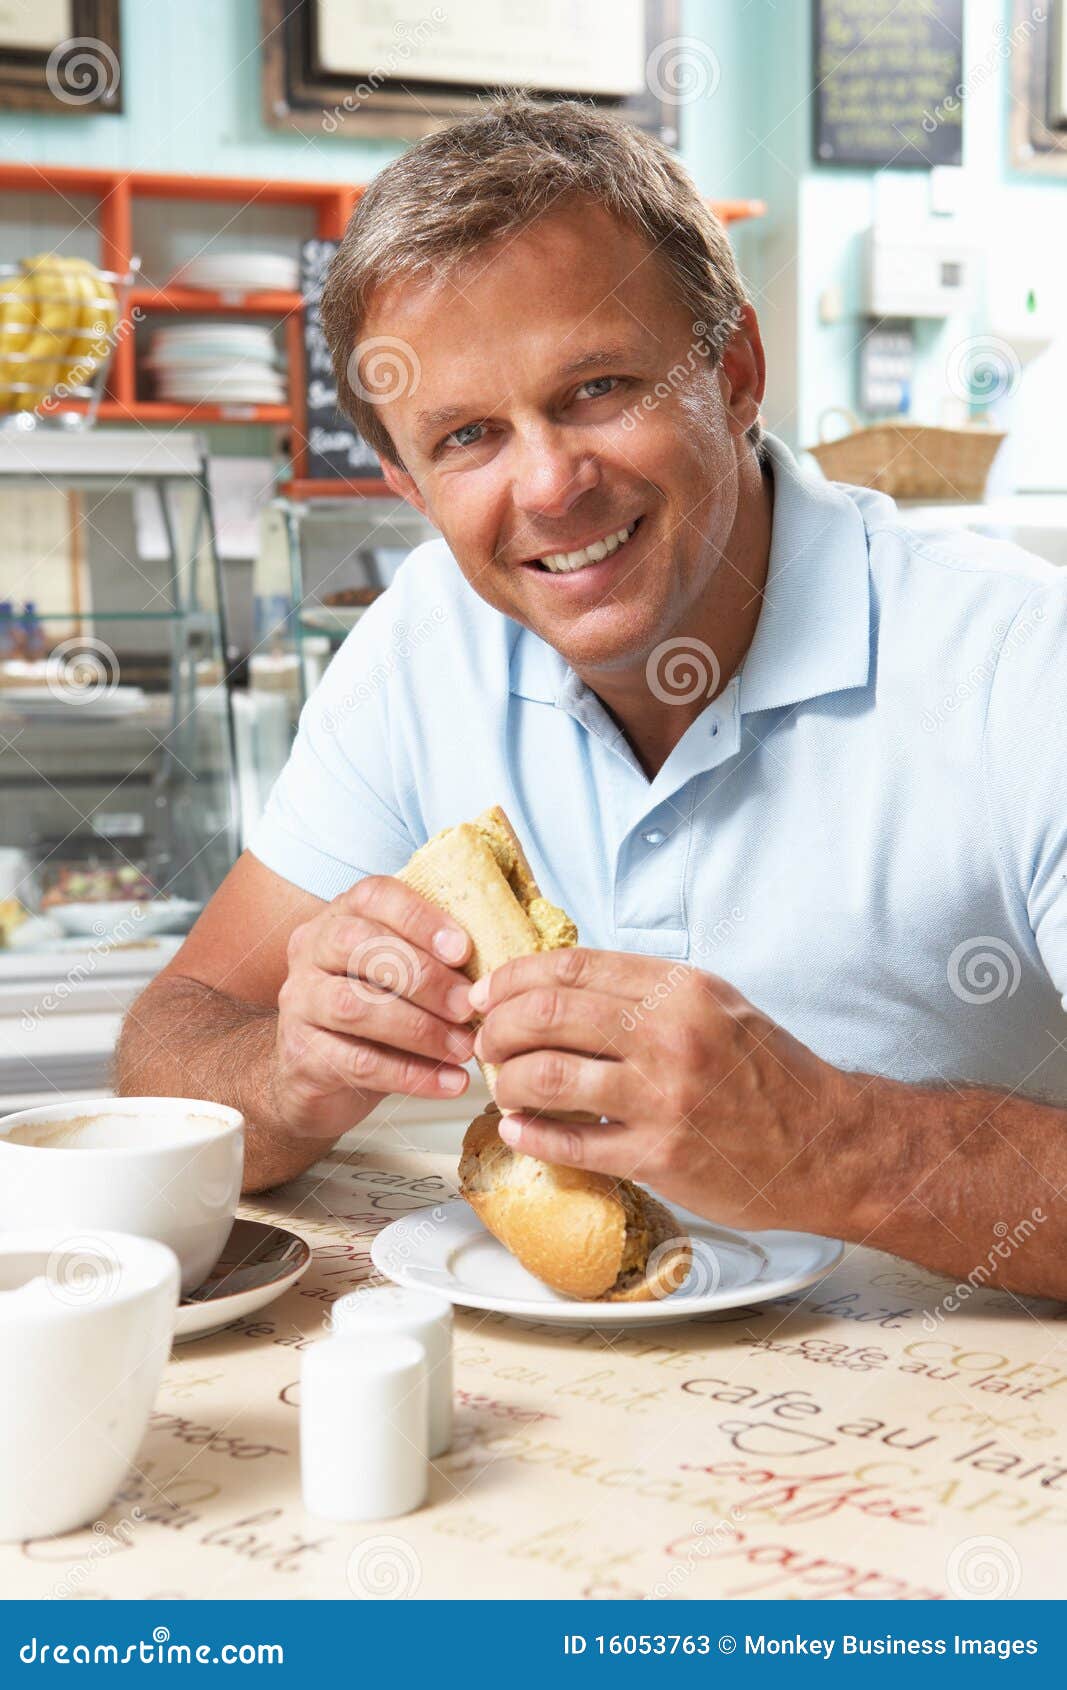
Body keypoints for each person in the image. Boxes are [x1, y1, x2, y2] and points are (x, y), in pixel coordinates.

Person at [117, 95, 1067, 1296]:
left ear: (732, 373)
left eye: (596, 389)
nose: (551, 484)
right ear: (409, 487)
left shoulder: (1019, 660)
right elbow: (170, 1043)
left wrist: (831, 1145)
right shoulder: (421, 642)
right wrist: (287, 1073)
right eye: (466, 436)